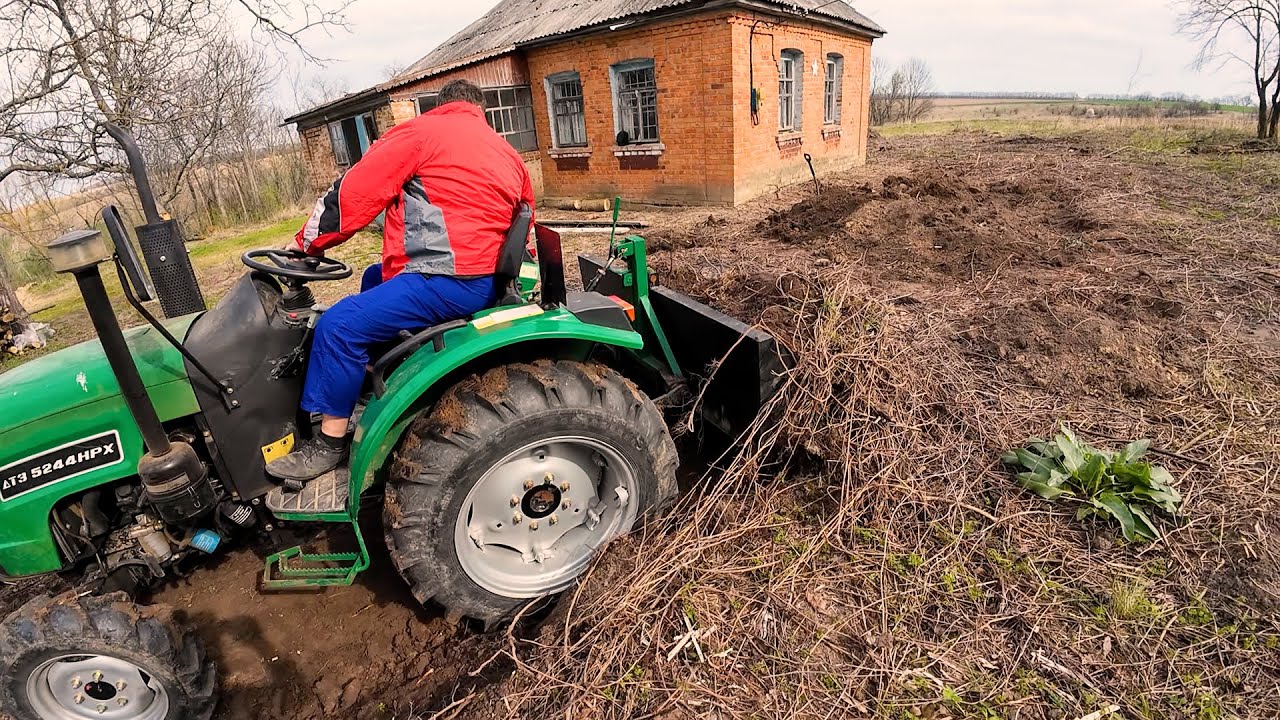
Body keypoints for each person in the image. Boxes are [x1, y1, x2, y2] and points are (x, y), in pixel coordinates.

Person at [266, 79, 535, 484]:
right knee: (375, 276)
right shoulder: (508, 154)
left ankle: (328, 443)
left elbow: (354, 193)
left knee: (337, 327)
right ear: (478, 110)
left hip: (445, 279)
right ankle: (370, 375)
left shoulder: (421, 133)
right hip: (482, 280)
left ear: (439, 106)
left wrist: (308, 245)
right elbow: (526, 225)